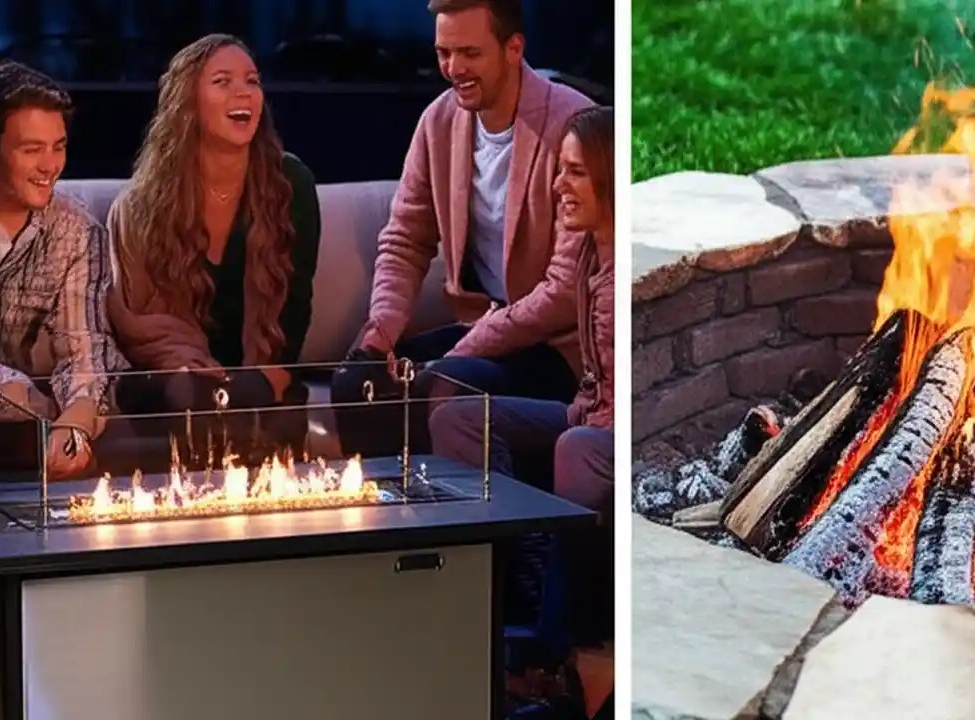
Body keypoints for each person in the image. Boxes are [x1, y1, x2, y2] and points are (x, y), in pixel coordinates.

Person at [330, 0, 595, 459]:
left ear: (514, 48)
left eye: (469, 54)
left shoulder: (573, 124)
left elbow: (564, 292)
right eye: (444, 53)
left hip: (560, 346)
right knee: (358, 382)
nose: (454, 69)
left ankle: (500, 530)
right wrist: (380, 335)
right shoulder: (438, 121)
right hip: (482, 326)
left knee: (447, 383)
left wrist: (465, 348)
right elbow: (404, 240)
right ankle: (391, 520)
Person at [430, 105, 614, 718]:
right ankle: (507, 596)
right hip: (587, 409)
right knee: (459, 415)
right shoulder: (590, 248)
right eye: (560, 170)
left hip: (608, 429)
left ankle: (560, 648)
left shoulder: (617, 271)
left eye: (576, 174)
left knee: (579, 449)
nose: (559, 186)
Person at [105, 34, 321, 463]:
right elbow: (139, 322)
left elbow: (295, 305)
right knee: (196, 393)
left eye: (252, 81)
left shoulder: (289, 185)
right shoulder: (141, 204)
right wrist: (190, 369)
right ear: (188, 103)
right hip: (167, 378)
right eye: (222, 81)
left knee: (248, 400)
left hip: (258, 377)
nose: (244, 92)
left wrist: (270, 378)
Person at [0, 60, 124, 480]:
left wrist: (75, 422)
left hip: (19, 428)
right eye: (32, 149)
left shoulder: (76, 231)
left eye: (58, 146)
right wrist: (31, 398)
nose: (50, 166)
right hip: (22, 409)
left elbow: (85, 349)